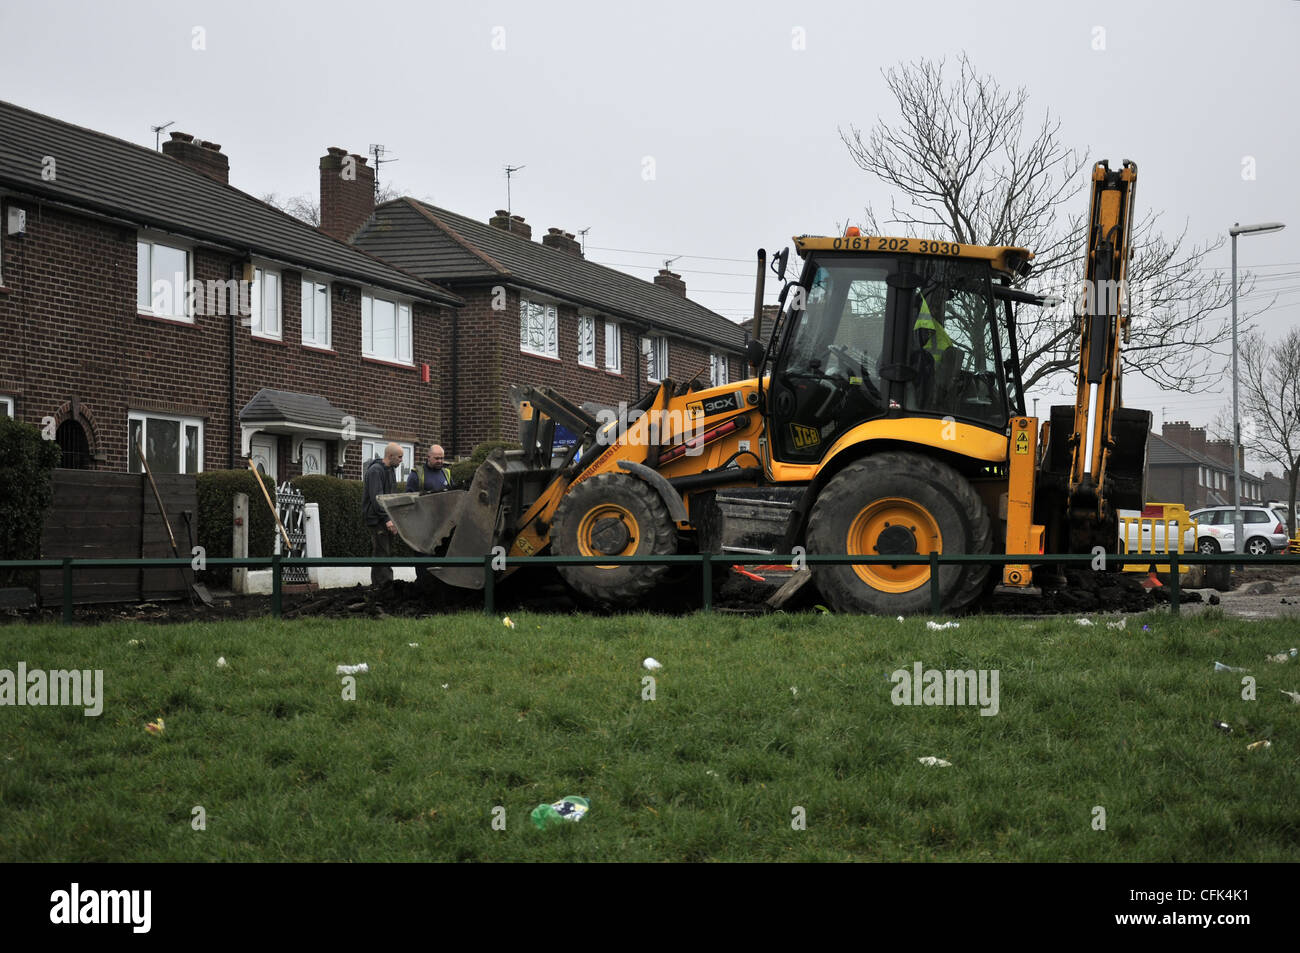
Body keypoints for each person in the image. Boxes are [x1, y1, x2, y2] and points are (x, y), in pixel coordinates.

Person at [362, 442, 404, 586]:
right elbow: (377, 499)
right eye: (399, 457)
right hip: (377, 519)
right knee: (382, 552)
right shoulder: (375, 471)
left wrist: (395, 517)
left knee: (386, 552)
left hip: (387, 518)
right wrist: (387, 519)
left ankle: (384, 585)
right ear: (390, 456)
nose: (401, 460)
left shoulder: (390, 470)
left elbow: (391, 498)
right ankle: (382, 586)